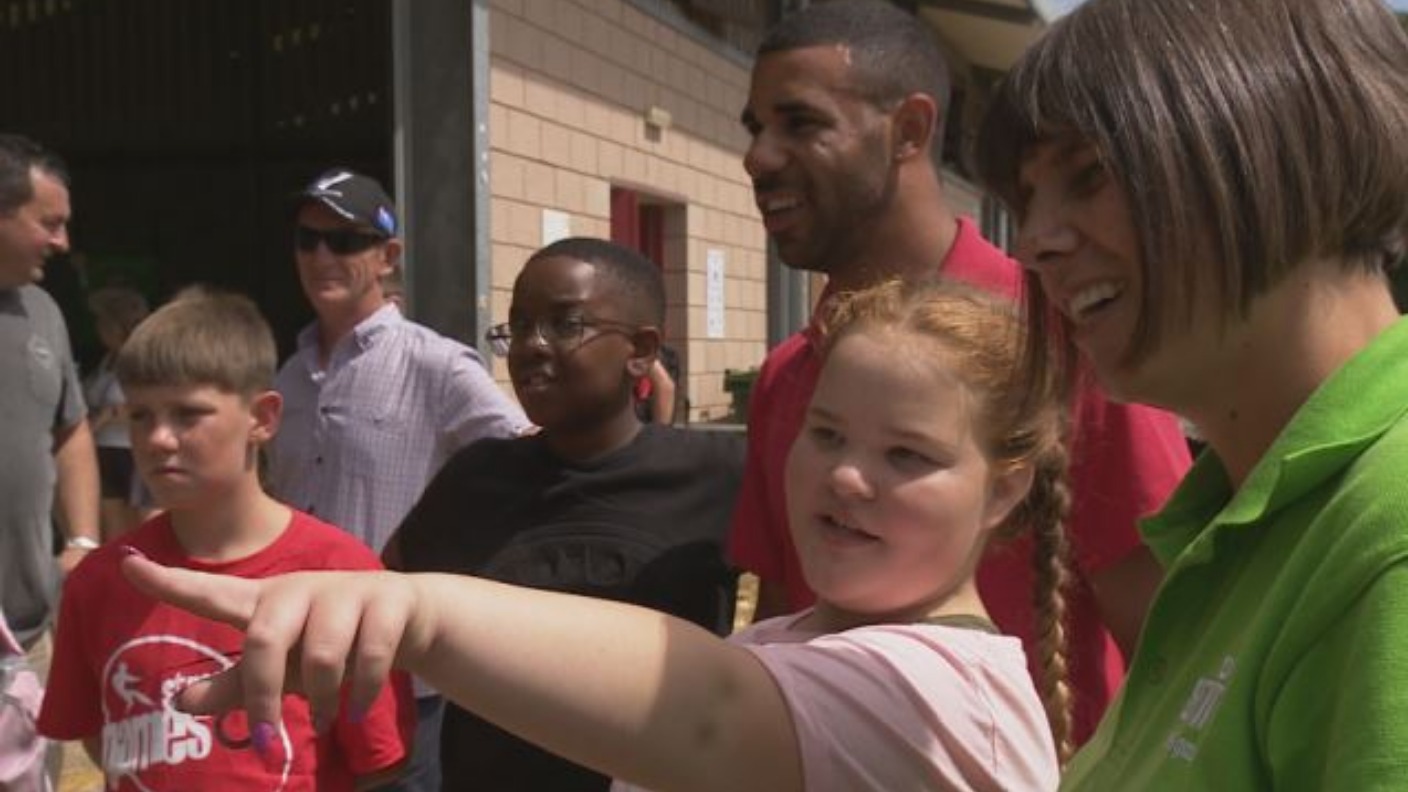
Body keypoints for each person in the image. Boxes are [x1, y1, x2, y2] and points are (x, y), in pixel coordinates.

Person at [123, 279, 1073, 791]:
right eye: (826, 434)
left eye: (908, 454)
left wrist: (410, 612)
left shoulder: (944, 698)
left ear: (1004, 491)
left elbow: (702, 705)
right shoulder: (800, 639)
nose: (847, 475)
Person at [971, 0, 1408, 786]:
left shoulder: (1388, 531)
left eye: (1090, 173)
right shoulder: (1245, 518)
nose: (1035, 241)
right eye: (1026, 200)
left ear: (1282, 148)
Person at [730, 0, 1192, 742]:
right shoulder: (789, 373)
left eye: (801, 122)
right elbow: (785, 626)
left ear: (909, 130)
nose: (759, 157)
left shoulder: (1068, 338)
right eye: (754, 129)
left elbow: (1174, 647)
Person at [384, 237, 744, 791]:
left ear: (641, 351)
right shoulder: (476, 478)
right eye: (519, 325)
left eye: (565, 324)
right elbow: (392, 596)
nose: (532, 345)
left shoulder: (717, 475)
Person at [36, 289, 414, 790]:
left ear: (263, 418)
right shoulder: (100, 582)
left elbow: (381, 759)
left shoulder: (342, 574)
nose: (158, 439)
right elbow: (94, 734)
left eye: (188, 414)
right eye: (140, 415)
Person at [267, 167, 529, 790]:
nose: (322, 256)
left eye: (345, 241)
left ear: (387, 257)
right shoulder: (288, 379)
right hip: (301, 663)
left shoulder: (436, 366)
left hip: (398, 672)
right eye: (308, 240)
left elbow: (528, 464)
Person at [0, 135, 101, 707]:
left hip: (26, 641)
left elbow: (71, 428)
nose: (62, 242)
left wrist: (84, 539)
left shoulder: (44, 313)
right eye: (49, 222)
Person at [84, 285, 151, 540]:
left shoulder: (141, 360)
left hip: (131, 451)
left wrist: (105, 417)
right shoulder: (105, 362)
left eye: (104, 322)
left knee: (139, 525)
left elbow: (142, 405)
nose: (99, 329)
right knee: (111, 529)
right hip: (102, 452)